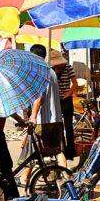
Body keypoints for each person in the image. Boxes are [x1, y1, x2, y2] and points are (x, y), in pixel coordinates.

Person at [20, 44, 64, 183]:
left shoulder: (39, 72)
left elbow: (39, 97)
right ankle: (66, 178)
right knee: (58, 150)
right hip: (56, 118)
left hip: (42, 120)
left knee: (33, 151)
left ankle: (24, 178)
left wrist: (33, 116)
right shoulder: (51, 72)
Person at [50, 50, 78, 161]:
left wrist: (68, 95)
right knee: (58, 127)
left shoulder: (68, 68)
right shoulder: (51, 69)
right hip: (55, 100)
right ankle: (62, 151)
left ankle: (71, 151)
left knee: (68, 127)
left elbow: (75, 83)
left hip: (66, 100)